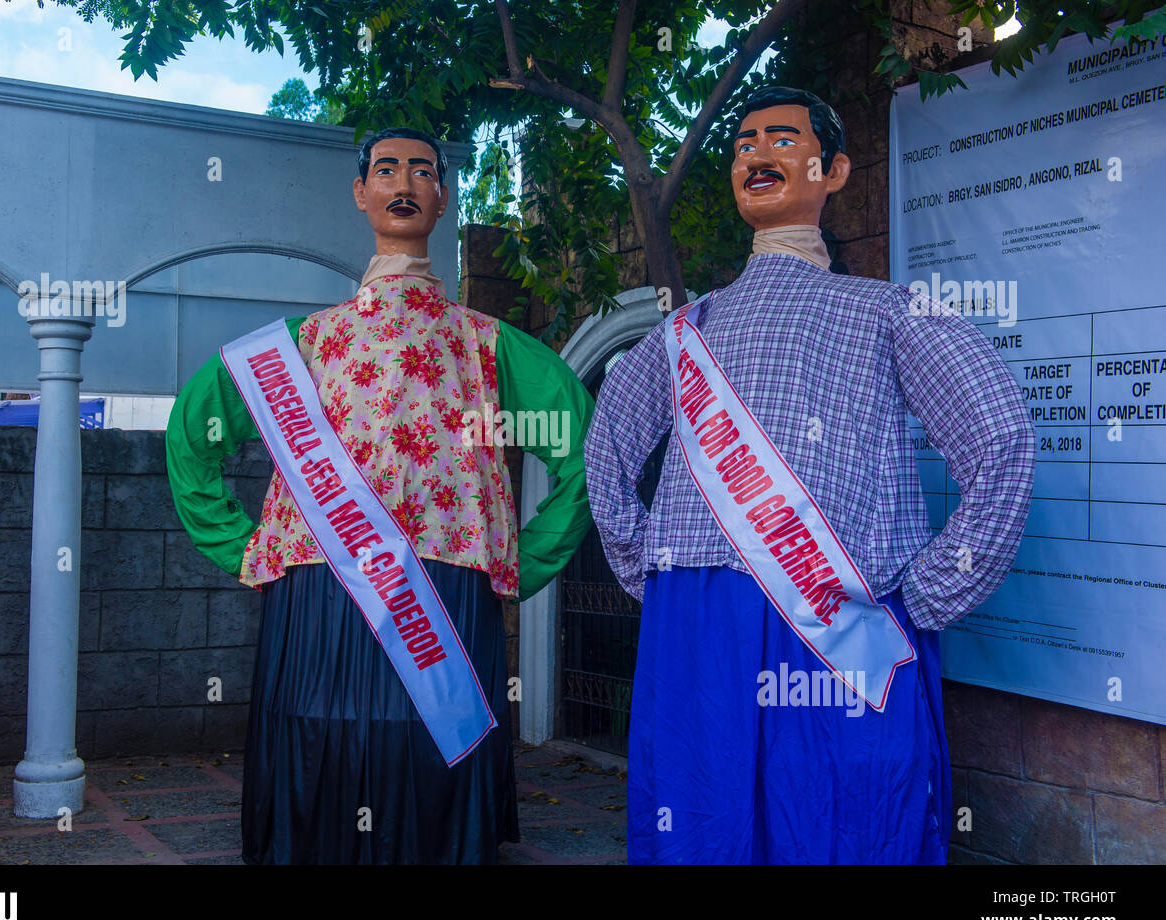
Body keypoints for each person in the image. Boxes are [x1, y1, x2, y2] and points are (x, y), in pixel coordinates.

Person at [583, 87, 1035, 864]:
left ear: (836, 169)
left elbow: (1000, 439)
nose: (758, 153)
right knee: (703, 817)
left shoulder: (891, 313)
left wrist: (925, 592)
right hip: (702, 630)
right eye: (744, 143)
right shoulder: (682, 332)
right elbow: (607, 448)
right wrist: (657, 577)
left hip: (841, 624)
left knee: (842, 818)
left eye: (783, 138)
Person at [166, 127, 594, 864]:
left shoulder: (491, 347)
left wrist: (528, 556)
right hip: (319, 595)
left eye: (423, 170)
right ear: (360, 192)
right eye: (386, 168)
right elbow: (193, 433)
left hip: (448, 596)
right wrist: (249, 545)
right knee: (319, 734)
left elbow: (585, 449)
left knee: (427, 750)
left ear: (443, 196)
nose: (404, 181)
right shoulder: (298, 345)